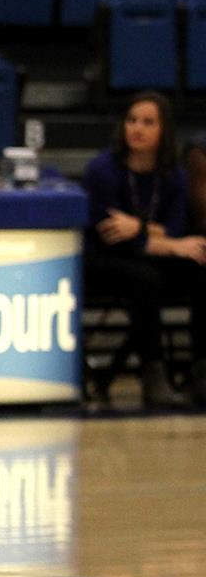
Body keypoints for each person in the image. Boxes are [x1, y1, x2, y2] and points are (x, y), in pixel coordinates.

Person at [82, 91, 206, 408]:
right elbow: (111, 233)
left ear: (163, 130)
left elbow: (176, 229)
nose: (137, 128)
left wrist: (137, 227)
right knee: (144, 278)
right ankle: (153, 375)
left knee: (200, 262)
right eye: (132, 120)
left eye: (148, 122)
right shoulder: (102, 170)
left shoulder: (174, 175)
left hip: (149, 255)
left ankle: (201, 371)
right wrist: (154, 233)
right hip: (102, 259)